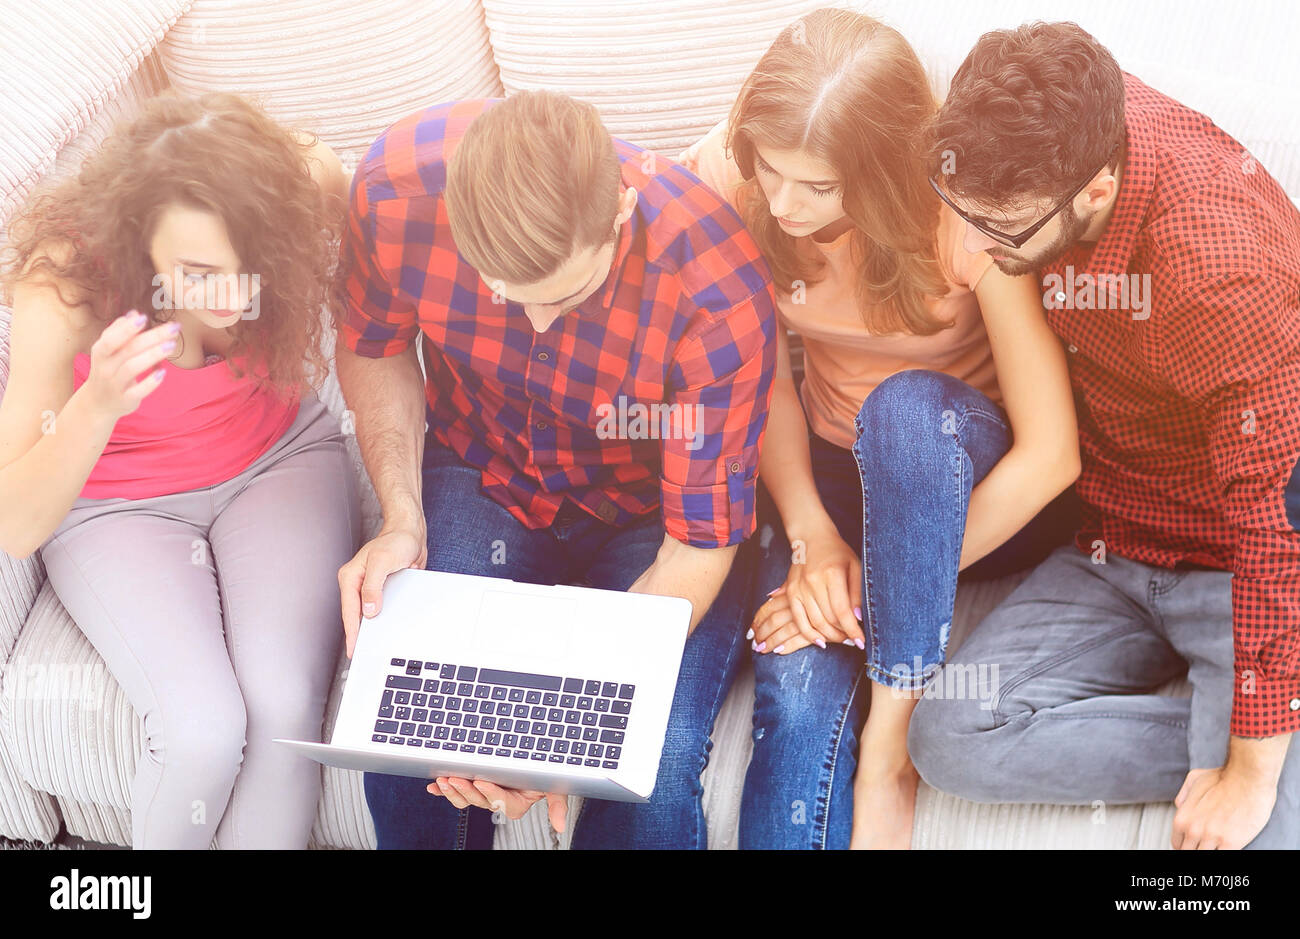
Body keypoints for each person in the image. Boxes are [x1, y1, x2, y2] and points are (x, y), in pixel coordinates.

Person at [678, 6, 1080, 849]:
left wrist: (890, 569)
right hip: (828, 472)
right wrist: (813, 538)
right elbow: (757, 378)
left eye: (818, 186)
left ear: (885, 165)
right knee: (794, 677)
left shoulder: (962, 206)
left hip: (960, 472)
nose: (783, 202)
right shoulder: (731, 173)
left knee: (901, 405)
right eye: (770, 170)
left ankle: (888, 748)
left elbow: (1053, 454)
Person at [333, 90, 777, 849]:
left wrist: (558, 745)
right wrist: (401, 516)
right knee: (414, 735)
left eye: (568, 294)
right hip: (482, 466)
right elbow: (373, 347)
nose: (536, 322)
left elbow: (696, 546)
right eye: (505, 293)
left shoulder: (715, 281)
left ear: (622, 210)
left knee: (640, 767)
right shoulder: (394, 189)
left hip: (653, 515)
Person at [908, 20, 1300, 849]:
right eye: (963, 214)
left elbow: (1277, 526)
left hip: (1237, 566)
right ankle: (1216, 729)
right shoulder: (1042, 122)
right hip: (1113, 547)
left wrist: (1251, 769)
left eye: (1001, 230)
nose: (973, 250)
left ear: (1094, 190)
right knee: (947, 734)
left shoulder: (1222, 274)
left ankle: (1259, 738)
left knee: (1256, 847)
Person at [0, 91, 361, 849]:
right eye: (198, 274)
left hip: (277, 461)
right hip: (119, 508)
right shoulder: (64, 288)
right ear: (137, 246)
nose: (231, 300)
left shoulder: (303, 183)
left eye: (251, 269)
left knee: (284, 709)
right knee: (201, 729)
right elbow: (17, 522)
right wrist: (95, 403)